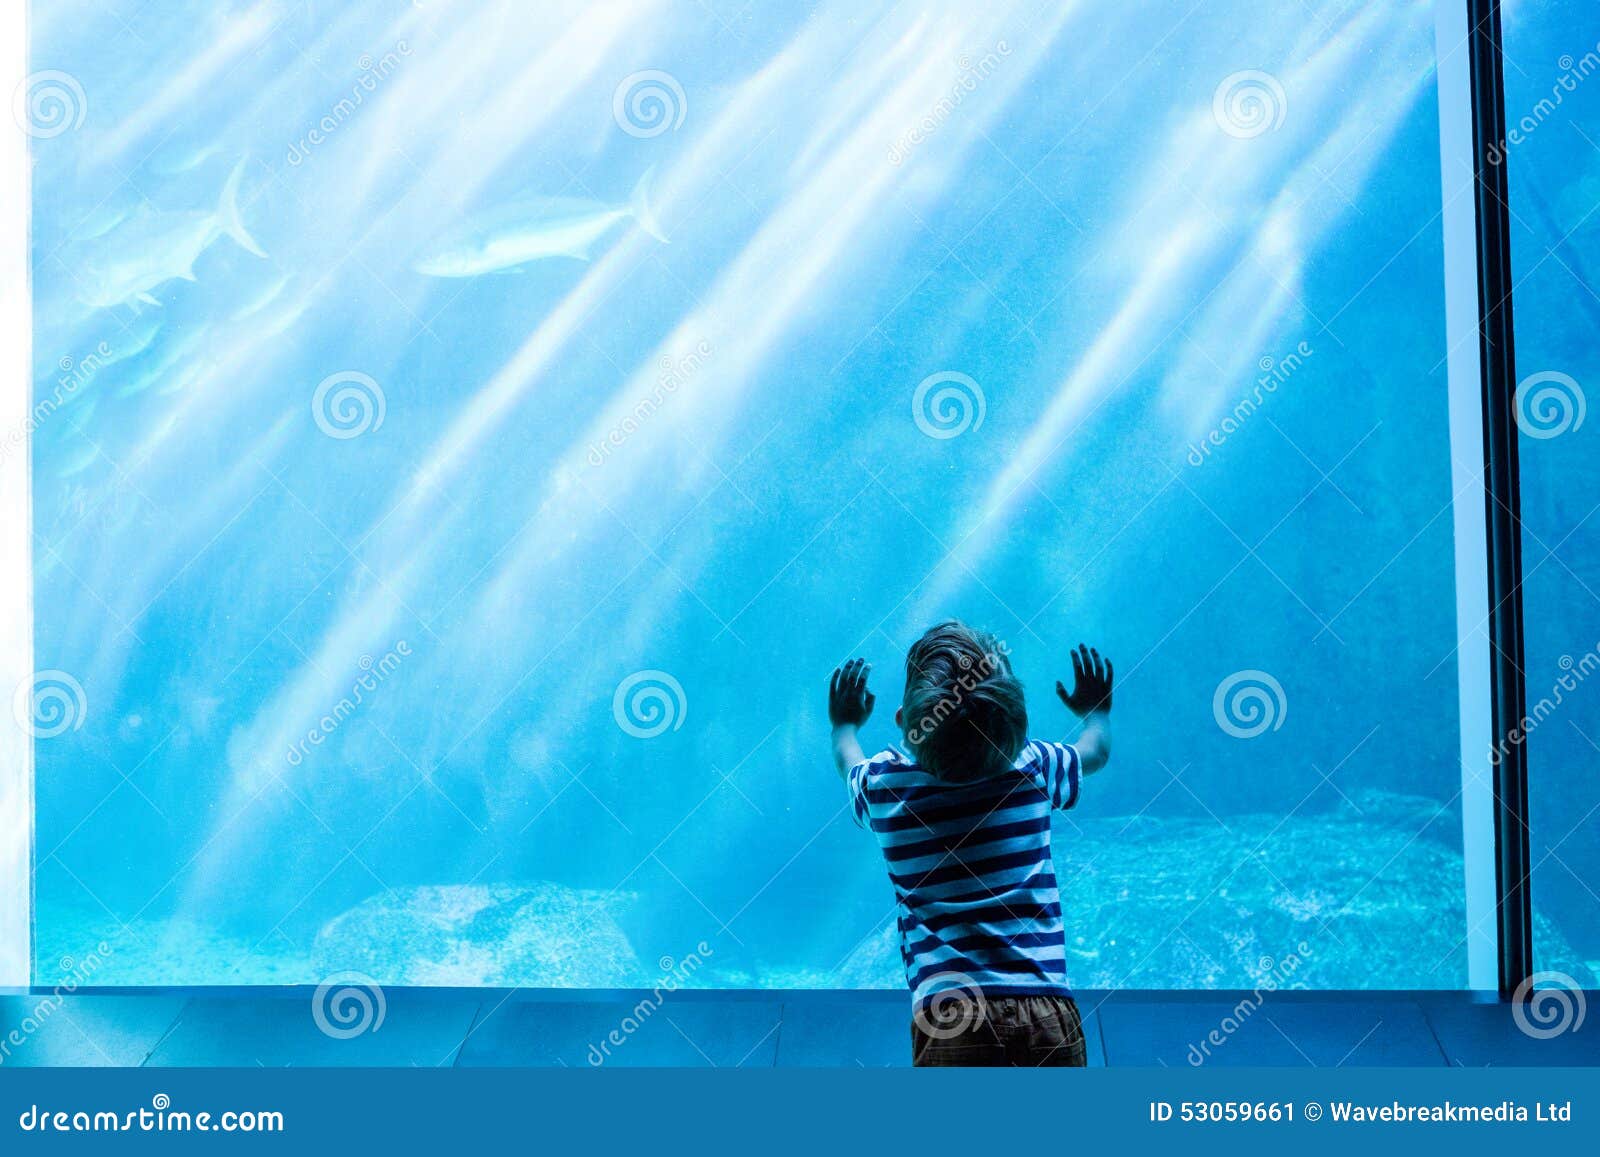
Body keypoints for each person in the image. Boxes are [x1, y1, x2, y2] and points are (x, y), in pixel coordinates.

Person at [829, 621, 1113, 1066]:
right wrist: (1096, 711)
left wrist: (844, 725)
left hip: (951, 1019)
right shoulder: (1034, 769)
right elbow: (1094, 752)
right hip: (1046, 1011)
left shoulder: (885, 786)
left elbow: (849, 762)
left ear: (904, 723)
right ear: (1018, 726)